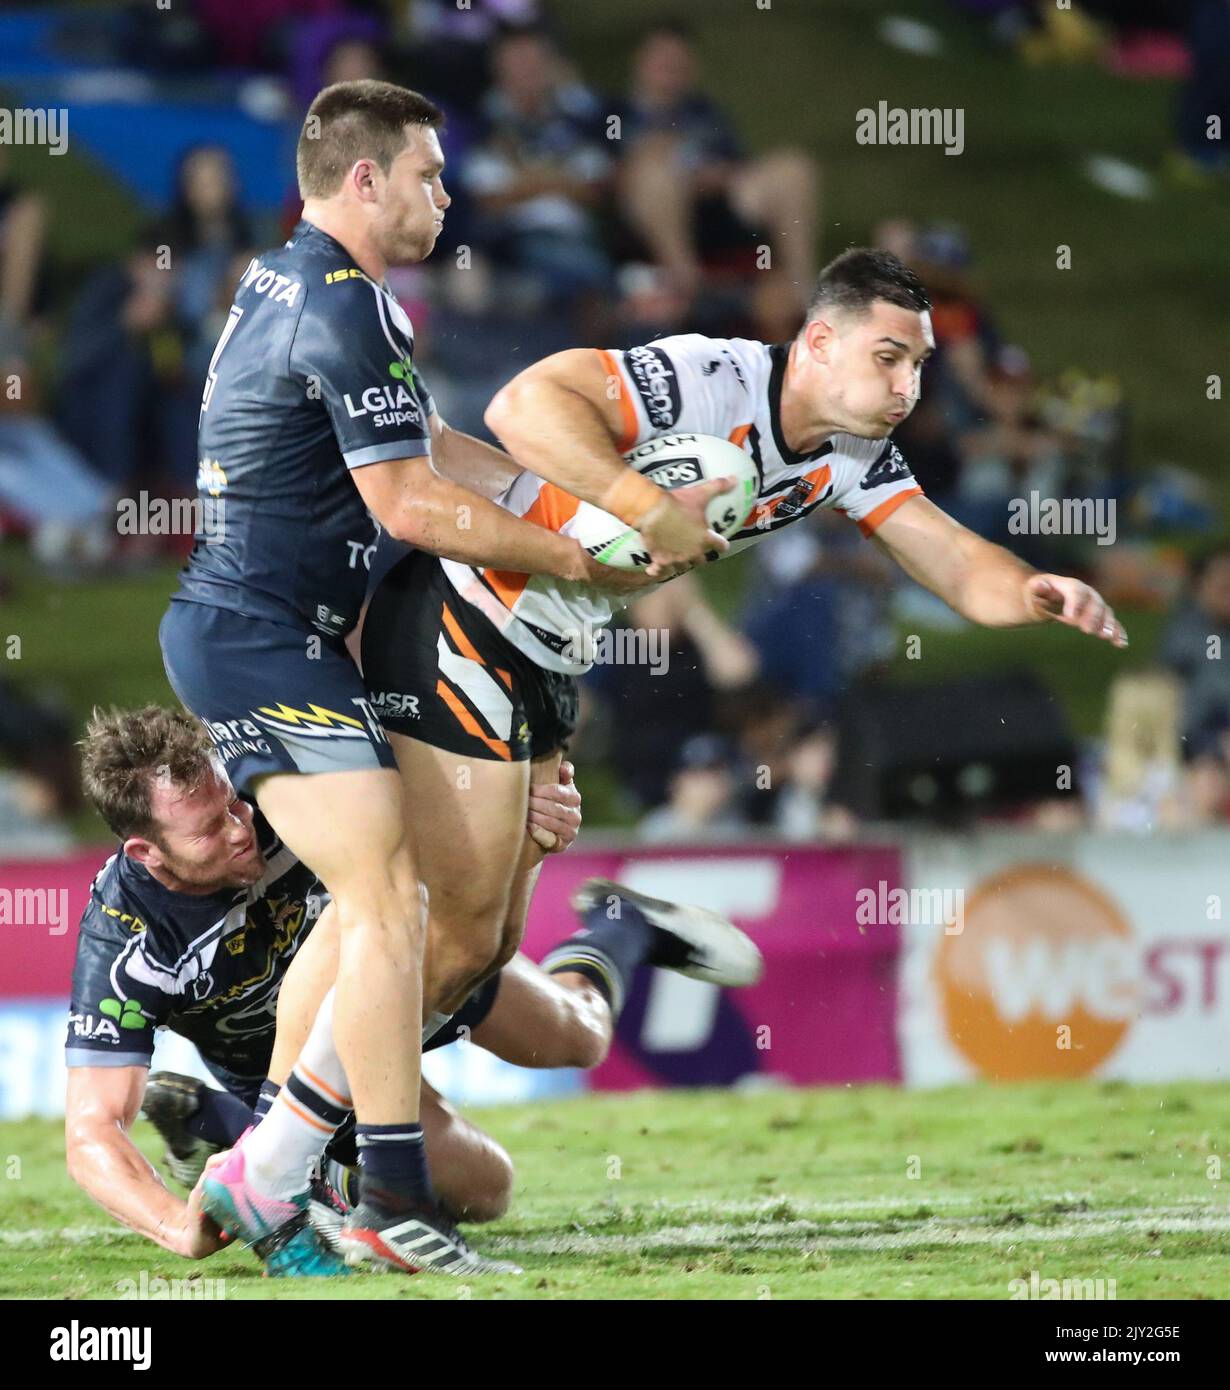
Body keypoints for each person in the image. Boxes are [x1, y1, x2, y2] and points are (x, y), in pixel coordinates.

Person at [355, 250, 1126, 1147]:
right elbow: (519, 408)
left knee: (476, 953)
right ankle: (302, 1133)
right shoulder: (709, 377)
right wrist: (644, 503)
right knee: (443, 931)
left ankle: (328, 1114)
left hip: (549, 660)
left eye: (918, 365)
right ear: (820, 343)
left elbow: (949, 555)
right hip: (464, 613)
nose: (908, 385)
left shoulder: (851, 455)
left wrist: (1035, 588)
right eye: (889, 357)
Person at [156, 78, 724, 1276]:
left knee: (415, 910)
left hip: (279, 634)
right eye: (427, 172)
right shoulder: (345, 304)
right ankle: (371, 1194)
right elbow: (407, 503)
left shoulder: (309, 285)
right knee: (394, 906)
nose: (445, 193)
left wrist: (579, 504)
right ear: (364, 179)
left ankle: (276, 1171)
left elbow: (437, 451)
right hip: (262, 639)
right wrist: (586, 555)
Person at [64, 704, 758, 1271]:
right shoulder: (128, 943)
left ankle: (622, 928)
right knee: (487, 1189)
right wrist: (174, 1228)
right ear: (144, 854)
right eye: (211, 830)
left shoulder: (279, 780)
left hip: (406, 973)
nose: (241, 827)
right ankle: (258, 1137)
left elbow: (444, 773)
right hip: (303, 1074)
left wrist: (536, 804)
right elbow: (92, 1129)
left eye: (232, 806)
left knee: (580, 1037)